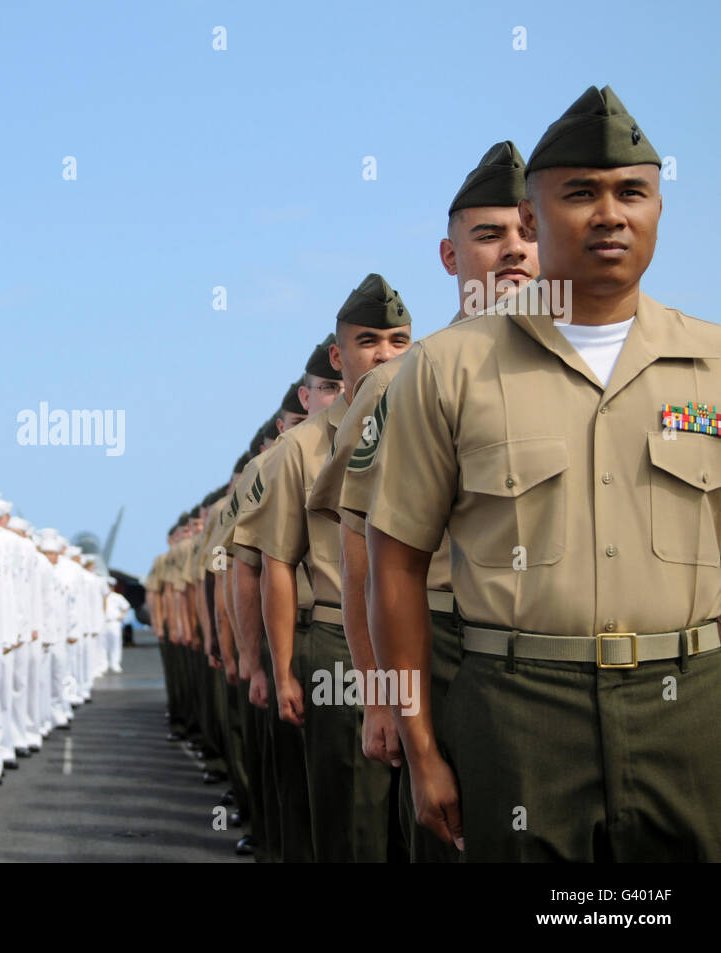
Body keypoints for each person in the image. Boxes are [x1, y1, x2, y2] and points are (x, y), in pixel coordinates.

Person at [366, 86, 721, 861]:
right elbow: (394, 563)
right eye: (580, 194)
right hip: (519, 711)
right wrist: (422, 747)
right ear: (532, 218)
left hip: (691, 706)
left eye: (633, 193)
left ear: (660, 208)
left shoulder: (713, 364)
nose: (610, 214)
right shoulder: (450, 369)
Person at [307, 140, 536, 862]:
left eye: (529, 231)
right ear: (449, 255)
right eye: (489, 234)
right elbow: (362, 556)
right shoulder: (401, 382)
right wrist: (379, 696)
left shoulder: (601, 371)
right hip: (443, 650)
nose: (514, 251)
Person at [235, 281, 411, 862]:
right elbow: (276, 565)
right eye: (368, 342)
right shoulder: (298, 450)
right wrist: (279, 669)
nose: (385, 355)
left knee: (424, 817)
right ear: (339, 357)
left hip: (424, 640)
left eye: (399, 341)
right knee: (351, 814)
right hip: (337, 641)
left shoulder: (432, 423)